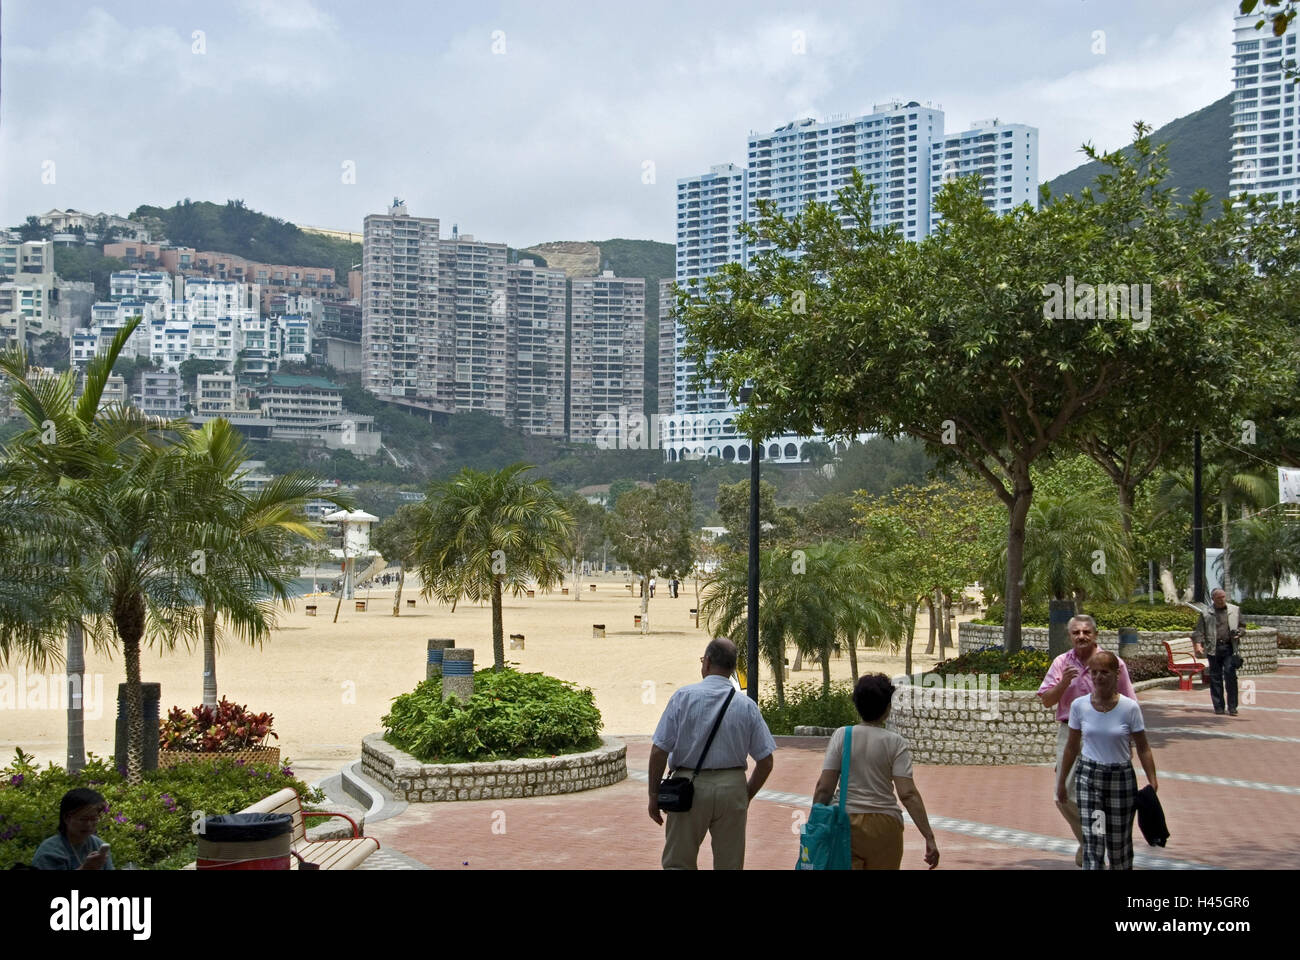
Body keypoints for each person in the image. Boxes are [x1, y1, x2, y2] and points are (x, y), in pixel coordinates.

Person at [648, 638, 776, 869]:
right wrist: (746, 794)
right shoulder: (746, 706)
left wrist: (653, 795)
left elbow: (659, 751)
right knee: (730, 863)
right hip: (732, 786)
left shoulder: (683, 697)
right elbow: (765, 761)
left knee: (679, 862)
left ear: (706, 662)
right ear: (733, 668)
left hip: (688, 786)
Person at [811, 674, 940, 870]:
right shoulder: (896, 743)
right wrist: (928, 836)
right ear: (887, 708)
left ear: (856, 705)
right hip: (886, 826)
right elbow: (907, 794)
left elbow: (824, 788)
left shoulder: (842, 736)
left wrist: (815, 822)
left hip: (846, 824)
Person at [1037, 614, 1136, 867]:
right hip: (1069, 732)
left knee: (1105, 795)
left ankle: (1097, 847)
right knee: (1064, 796)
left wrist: (1130, 741)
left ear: (1095, 634)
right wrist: (1064, 683)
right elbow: (1047, 700)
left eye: (1086, 632)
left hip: (1104, 733)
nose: (1081, 636)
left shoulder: (1112, 663)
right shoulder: (1061, 663)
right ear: (1070, 636)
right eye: (1076, 633)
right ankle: (1090, 841)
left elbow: (1129, 701)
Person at [1057, 650, 1158, 870]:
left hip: (1120, 779)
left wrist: (1152, 780)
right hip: (1090, 780)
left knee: (1118, 843)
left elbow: (1143, 747)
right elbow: (1072, 747)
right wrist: (1062, 782)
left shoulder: (1129, 708)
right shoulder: (1079, 706)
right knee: (1094, 840)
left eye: (1104, 672)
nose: (1098, 677)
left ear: (1116, 673)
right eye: (1093, 673)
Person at [32, 788, 114, 870]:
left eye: (93, 819)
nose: (88, 824)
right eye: (83, 819)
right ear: (66, 818)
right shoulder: (50, 852)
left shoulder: (97, 845)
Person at [1193, 588, 1243, 716]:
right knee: (1215, 678)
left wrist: (1239, 633)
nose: (1222, 599)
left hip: (1229, 648)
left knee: (1230, 675)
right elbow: (1199, 631)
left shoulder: (1234, 610)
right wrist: (1198, 645)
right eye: (1219, 597)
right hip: (1213, 649)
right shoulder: (1206, 612)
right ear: (1213, 598)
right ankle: (1218, 707)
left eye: (1223, 597)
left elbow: (1242, 626)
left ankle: (1232, 707)